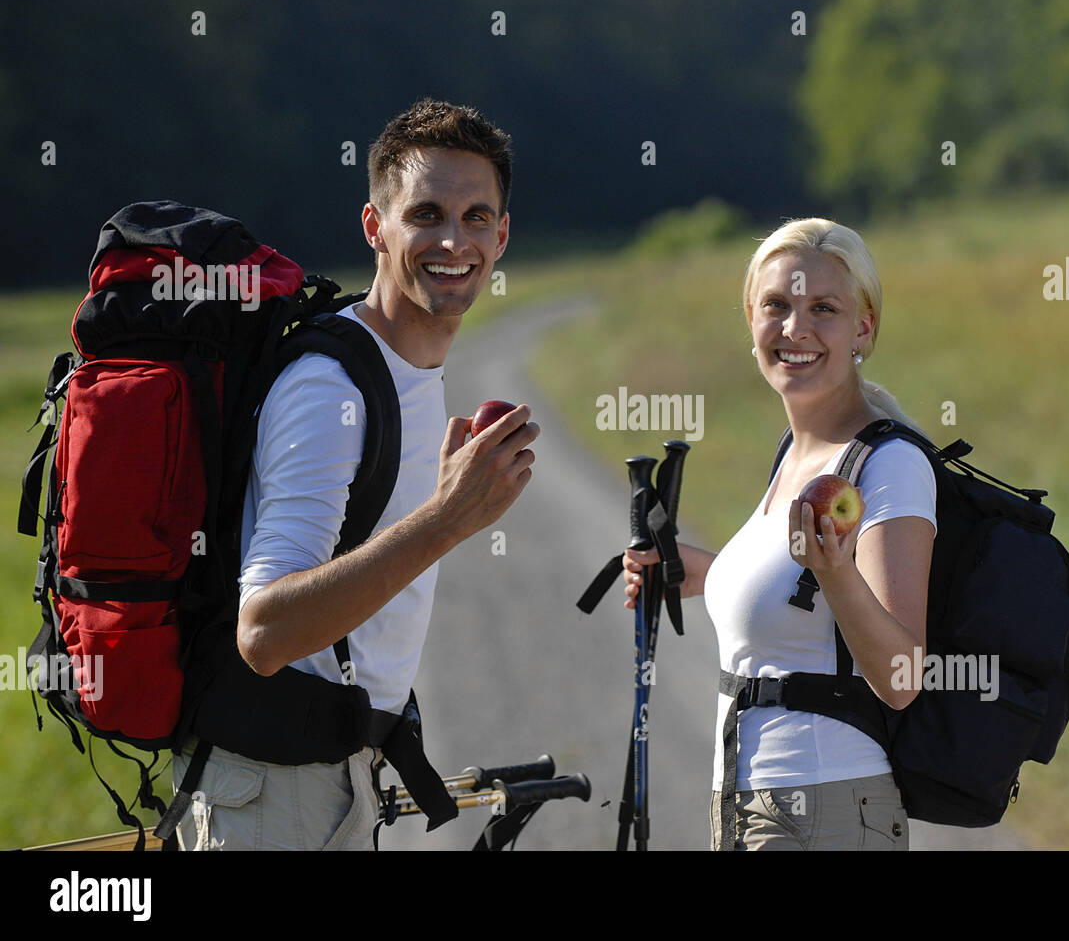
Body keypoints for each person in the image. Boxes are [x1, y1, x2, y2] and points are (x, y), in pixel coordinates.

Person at [171, 98, 540, 850]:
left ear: (501, 236)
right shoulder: (328, 388)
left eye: (476, 218)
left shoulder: (411, 366)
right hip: (272, 794)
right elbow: (265, 631)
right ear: (375, 227)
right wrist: (446, 520)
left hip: (330, 778)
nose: (453, 240)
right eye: (426, 214)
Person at [622, 218, 936, 851]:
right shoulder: (796, 452)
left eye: (823, 309)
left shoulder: (887, 464)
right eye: (777, 306)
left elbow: (902, 678)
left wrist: (836, 571)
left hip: (821, 805)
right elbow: (797, 599)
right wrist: (696, 571)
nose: (795, 329)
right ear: (752, 319)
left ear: (863, 329)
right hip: (753, 799)